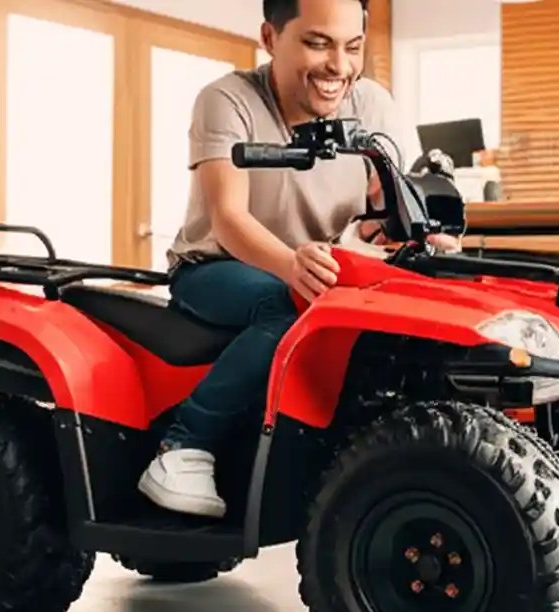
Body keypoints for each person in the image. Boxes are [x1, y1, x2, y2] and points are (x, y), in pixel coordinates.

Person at [139, 0, 457, 519]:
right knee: (290, 306)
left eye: (352, 47)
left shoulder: (373, 105)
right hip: (219, 266)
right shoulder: (228, 100)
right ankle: (182, 446)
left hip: (333, 272)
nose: (339, 66)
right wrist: (290, 265)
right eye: (317, 43)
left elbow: (387, 204)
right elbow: (228, 218)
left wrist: (423, 236)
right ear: (270, 36)